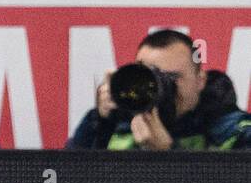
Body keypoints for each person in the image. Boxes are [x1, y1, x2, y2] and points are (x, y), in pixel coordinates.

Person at [68, 29, 251, 150]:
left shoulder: (234, 130)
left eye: (172, 78)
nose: (160, 87)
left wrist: (168, 153)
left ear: (200, 80)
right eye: (150, 77)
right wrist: (100, 122)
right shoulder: (117, 120)